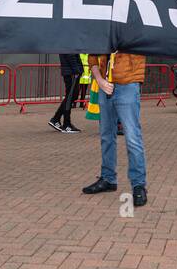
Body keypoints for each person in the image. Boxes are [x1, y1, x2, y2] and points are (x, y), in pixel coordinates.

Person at [81, 52, 148, 208]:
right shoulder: (104, 31)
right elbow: (92, 55)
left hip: (128, 84)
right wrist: (99, 80)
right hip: (105, 86)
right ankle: (108, 178)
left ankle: (139, 185)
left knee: (132, 136)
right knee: (106, 135)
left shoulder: (134, 31)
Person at [49, 53, 84, 133]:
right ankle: (66, 124)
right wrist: (77, 70)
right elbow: (70, 55)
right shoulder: (68, 43)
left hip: (71, 71)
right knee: (70, 97)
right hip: (71, 72)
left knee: (72, 96)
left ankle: (56, 119)